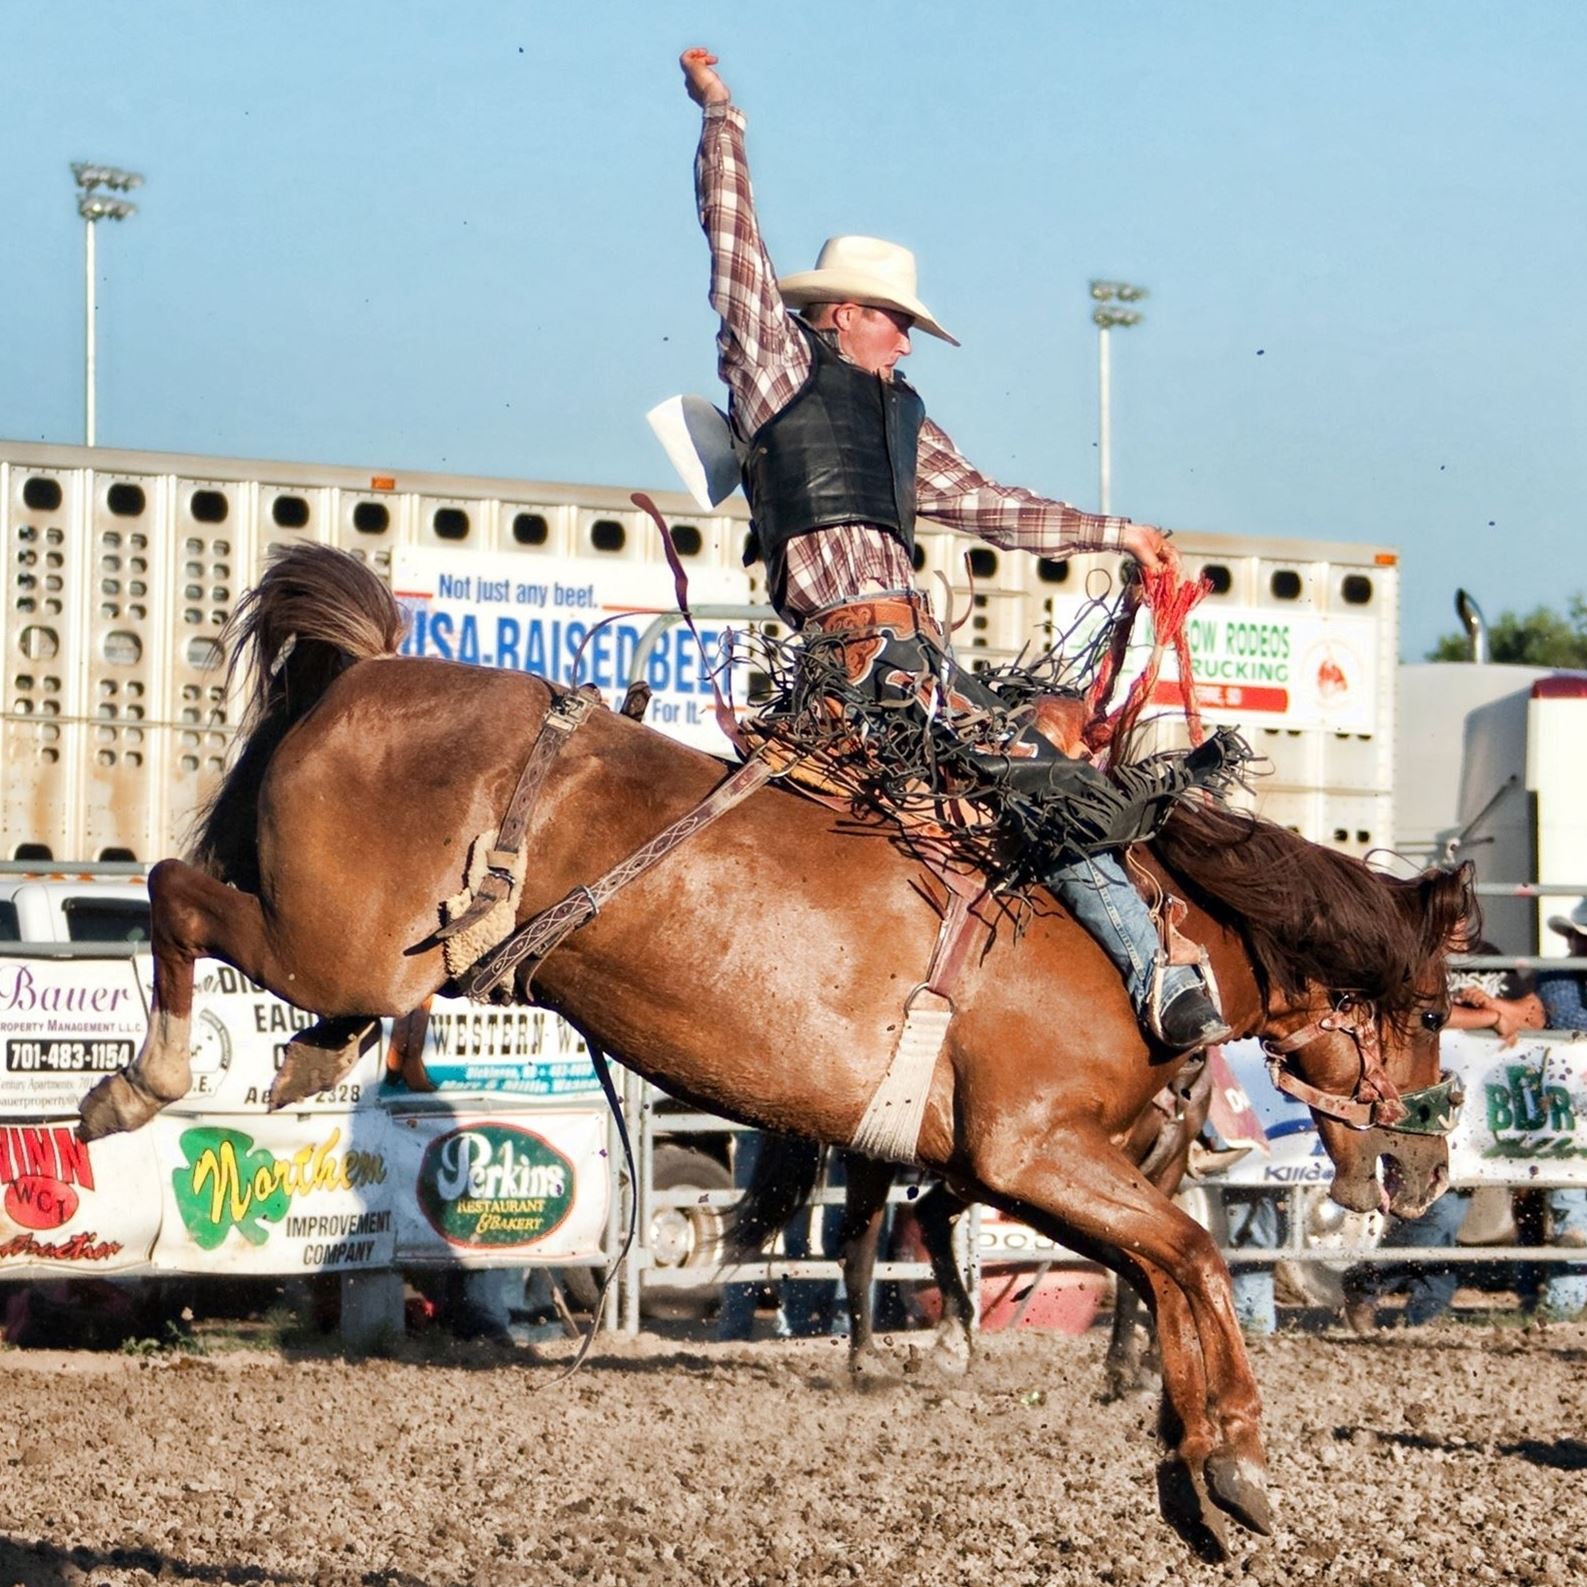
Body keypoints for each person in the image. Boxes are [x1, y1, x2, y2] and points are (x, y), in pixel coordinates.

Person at [680, 47, 1238, 1052]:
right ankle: (1152, 977)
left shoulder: (903, 421)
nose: (904, 340)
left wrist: (1115, 531)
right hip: (862, 663)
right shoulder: (773, 362)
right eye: (896, 320)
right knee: (1044, 785)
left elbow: (987, 505)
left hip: (909, 658)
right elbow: (734, 251)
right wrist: (725, 120)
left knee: (1053, 773)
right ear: (843, 312)